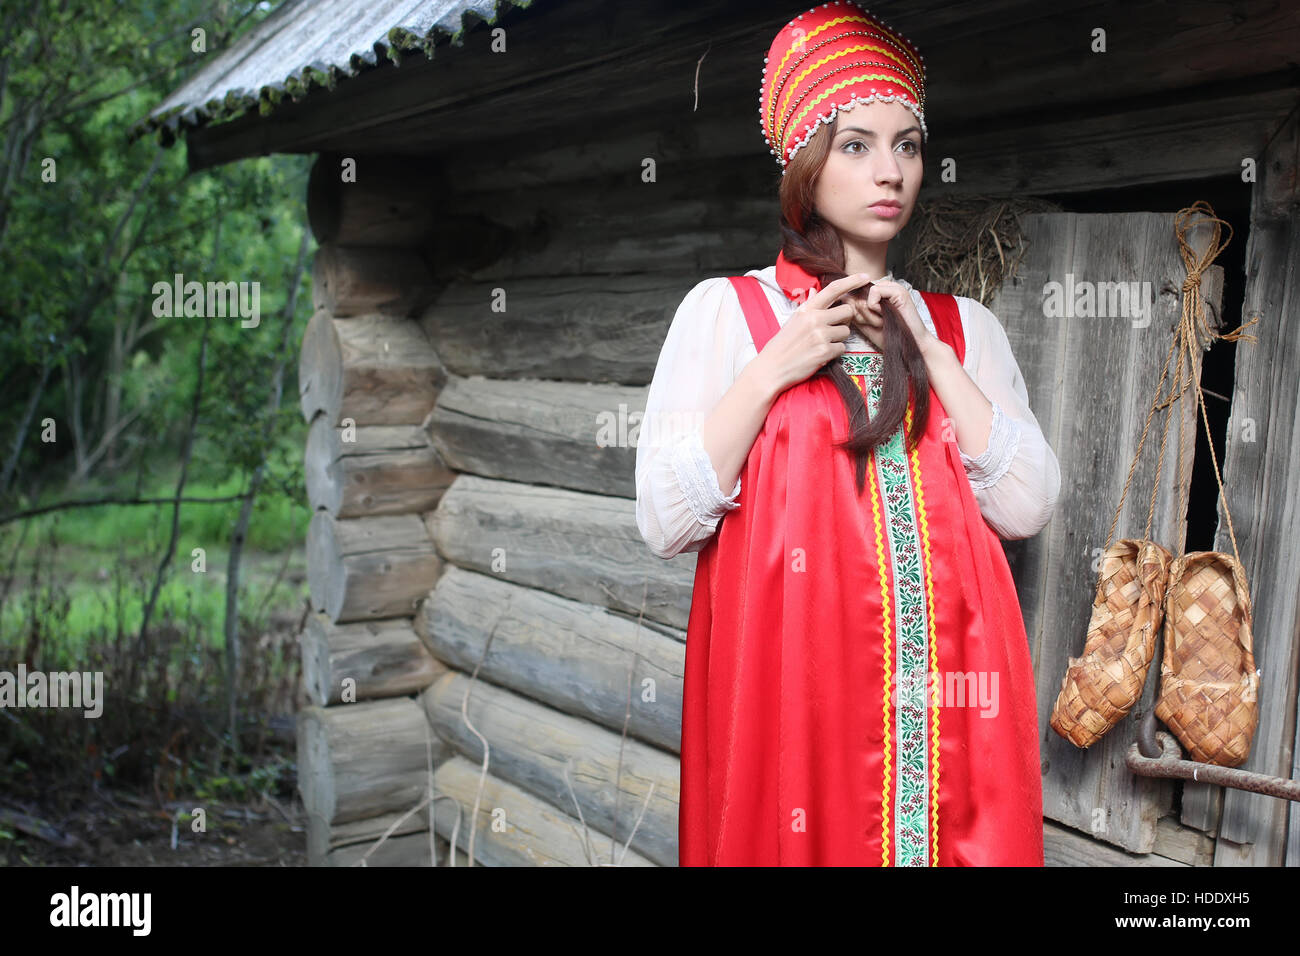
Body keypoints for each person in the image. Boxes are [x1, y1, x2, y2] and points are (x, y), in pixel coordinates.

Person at [633, 1, 1062, 865]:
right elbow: (664, 519)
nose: (890, 170)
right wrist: (771, 370)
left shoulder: (965, 327)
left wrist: (938, 361)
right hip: (798, 711)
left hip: (952, 723)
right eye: (858, 144)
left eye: (907, 144)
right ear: (807, 162)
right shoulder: (730, 314)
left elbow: (1028, 505)